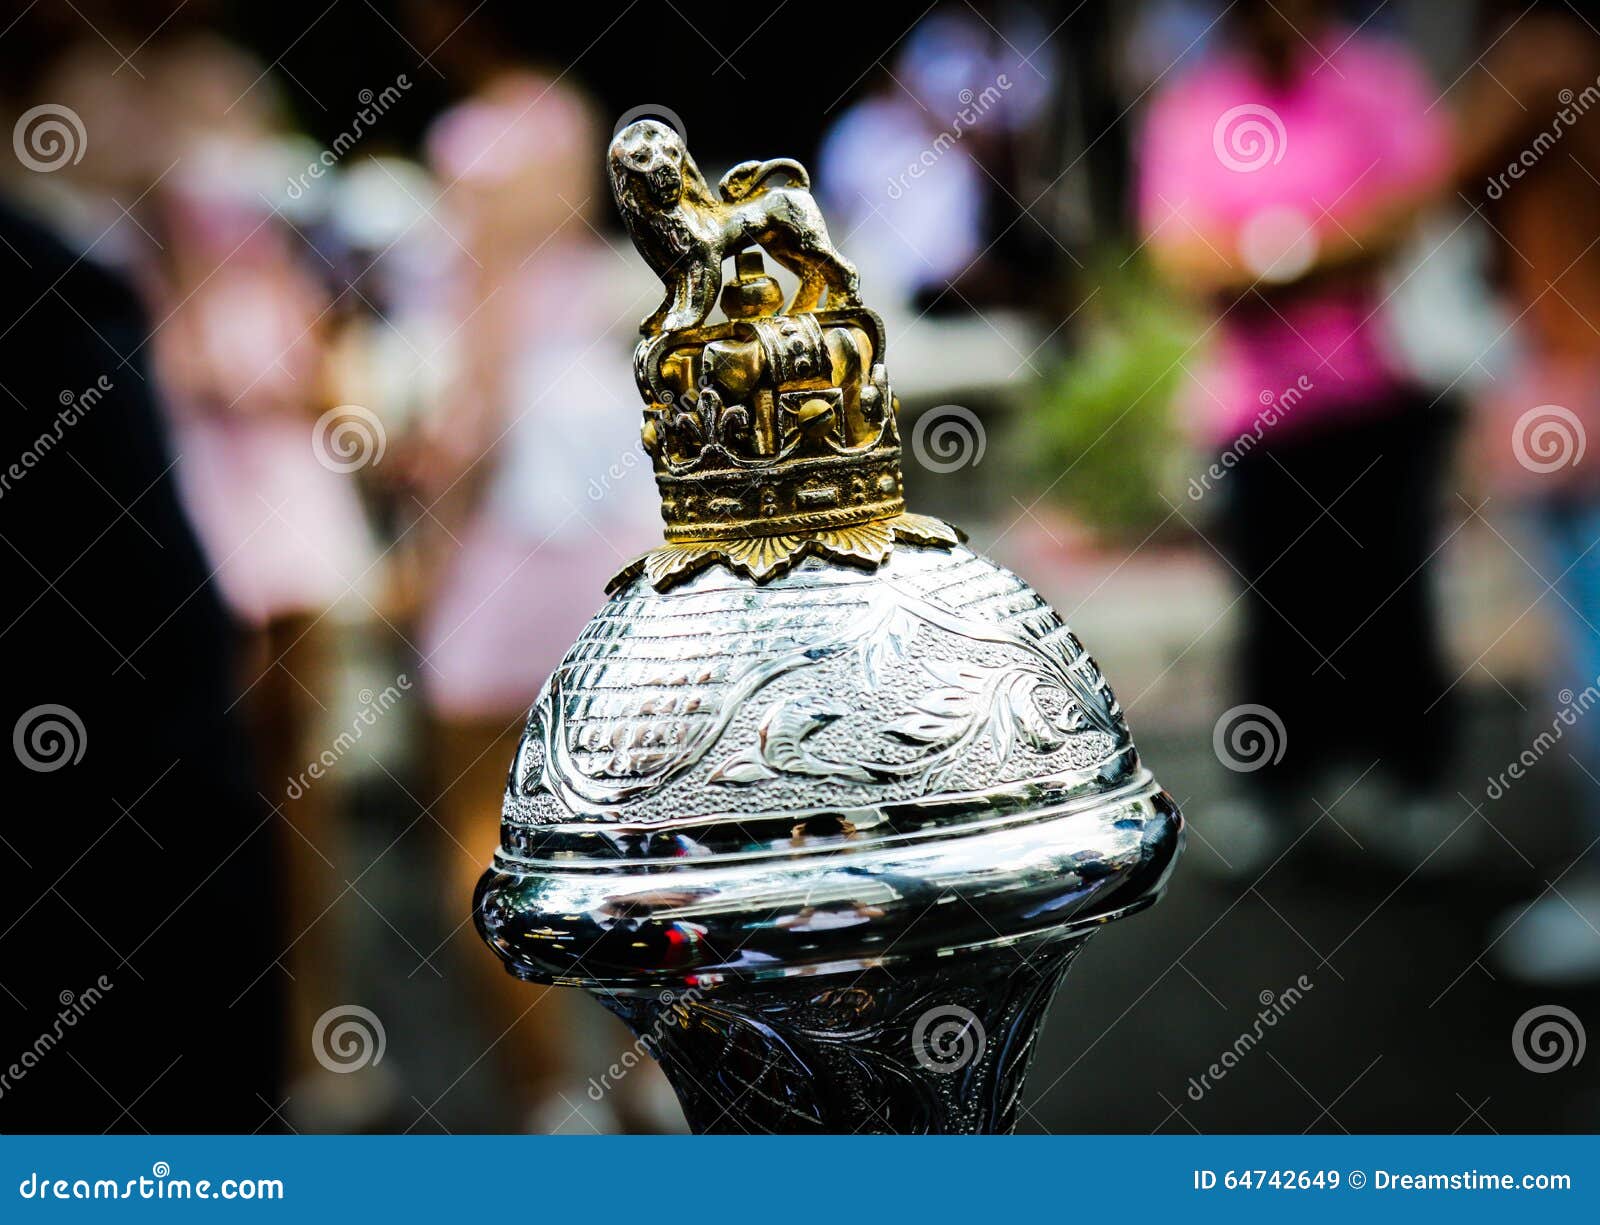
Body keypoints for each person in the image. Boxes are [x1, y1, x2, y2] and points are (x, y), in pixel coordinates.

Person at [400, 70, 676, 1132]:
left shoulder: (478, 210)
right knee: (634, 814)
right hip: (605, 504)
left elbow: (470, 400)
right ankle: (645, 1067)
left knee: (482, 819)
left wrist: (426, 541)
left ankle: (551, 1093)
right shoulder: (564, 123)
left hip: (508, 524)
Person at [1137, 0, 1457, 873]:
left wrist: (1265, 262)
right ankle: (1271, 795)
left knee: (1391, 600)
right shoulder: (1195, 107)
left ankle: (1411, 787)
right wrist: (1320, 253)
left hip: (1376, 399)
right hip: (1253, 416)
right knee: (1274, 615)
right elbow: (1182, 257)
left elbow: (1406, 217)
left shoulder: (1377, 81)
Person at [1455, 1, 1600, 982]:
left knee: (1585, 668)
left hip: (1572, 392)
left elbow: (1424, 178)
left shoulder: (1545, 57)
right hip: (1566, 386)